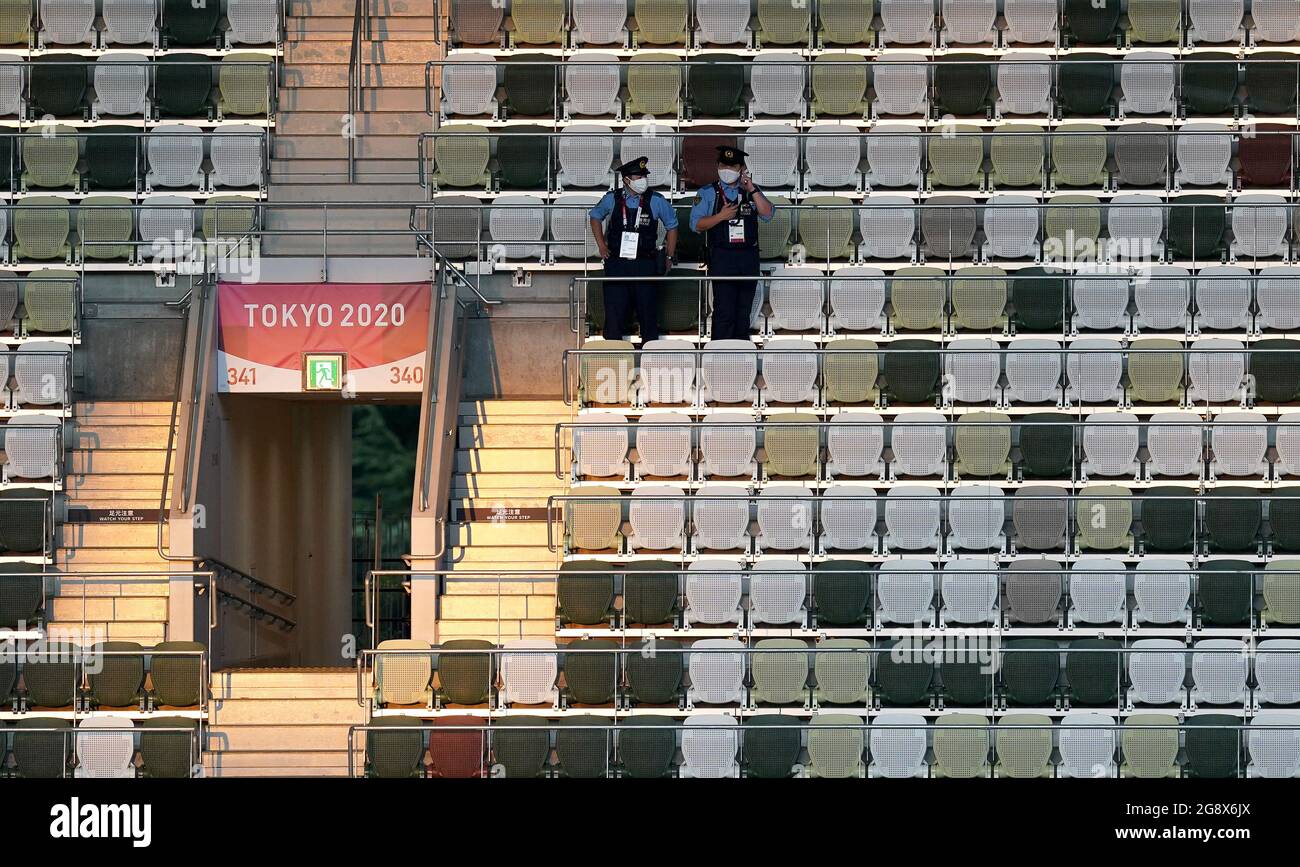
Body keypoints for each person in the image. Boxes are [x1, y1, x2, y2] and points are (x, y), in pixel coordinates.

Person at [689, 146, 775, 341]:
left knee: (743, 312)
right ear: (717, 166)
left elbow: (768, 214)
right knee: (724, 311)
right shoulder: (708, 192)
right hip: (723, 258)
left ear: (741, 168)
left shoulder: (751, 191)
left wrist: (751, 188)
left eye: (733, 166)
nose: (727, 169)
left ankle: (740, 360)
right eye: (724, 165)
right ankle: (720, 357)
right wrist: (720, 216)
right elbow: (696, 224)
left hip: (748, 258)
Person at [588, 156, 678, 342]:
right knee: (614, 318)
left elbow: (672, 226)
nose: (642, 180)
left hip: (645, 264)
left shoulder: (656, 200)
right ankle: (613, 361)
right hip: (617, 264)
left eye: (644, 176)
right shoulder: (611, 199)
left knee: (648, 318)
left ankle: (649, 362)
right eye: (638, 177)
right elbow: (595, 217)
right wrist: (602, 246)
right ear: (626, 179)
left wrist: (669, 255)